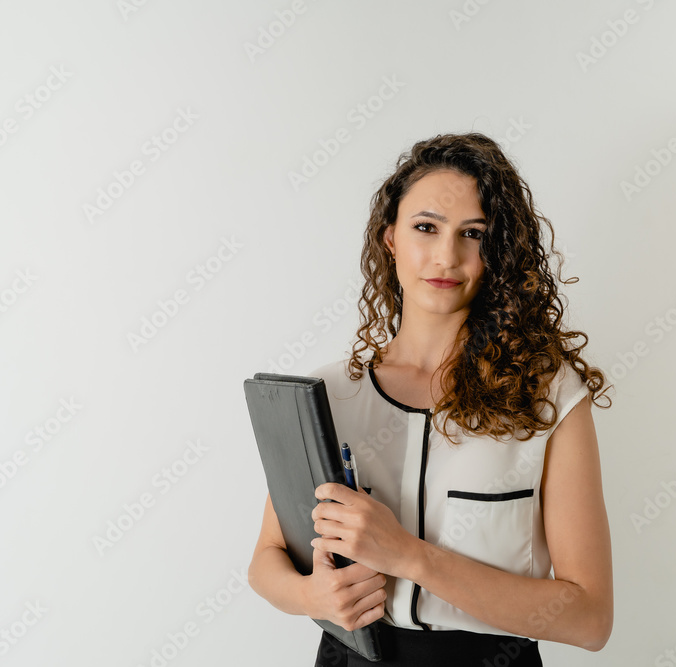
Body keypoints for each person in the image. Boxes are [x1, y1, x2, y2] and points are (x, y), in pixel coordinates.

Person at [249, 132, 614, 666]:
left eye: (473, 233)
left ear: (497, 252)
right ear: (390, 238)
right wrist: (311, 596)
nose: (447, 256)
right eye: (426, 227)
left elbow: (590, 620)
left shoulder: (549, 397)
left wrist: (409, 557)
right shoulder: (328, 393)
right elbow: (267, 559)